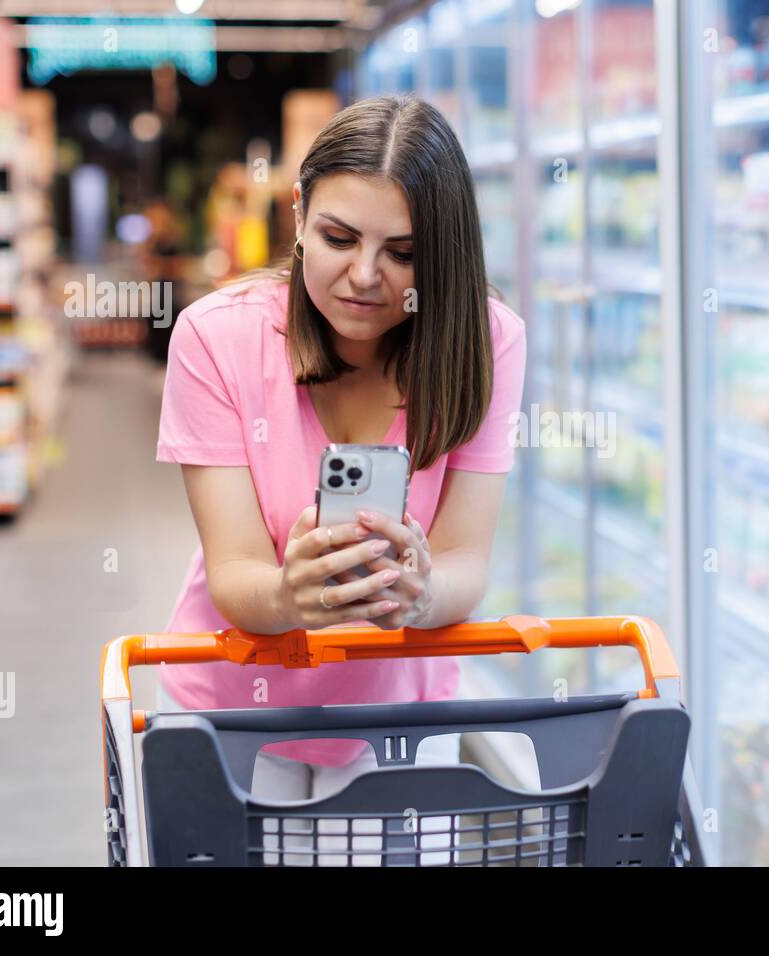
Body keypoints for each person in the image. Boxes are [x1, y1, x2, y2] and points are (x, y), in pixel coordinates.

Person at [154, 95, 527, 862]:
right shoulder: (215, 338)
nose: (365, 276)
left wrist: (423, 592)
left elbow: (467, 562)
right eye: (338, 237)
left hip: (396, 723)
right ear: (297, 213)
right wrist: (287, 596)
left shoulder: (487, 342)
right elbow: (234, 571)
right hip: (232, 709)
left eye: (404, 251)